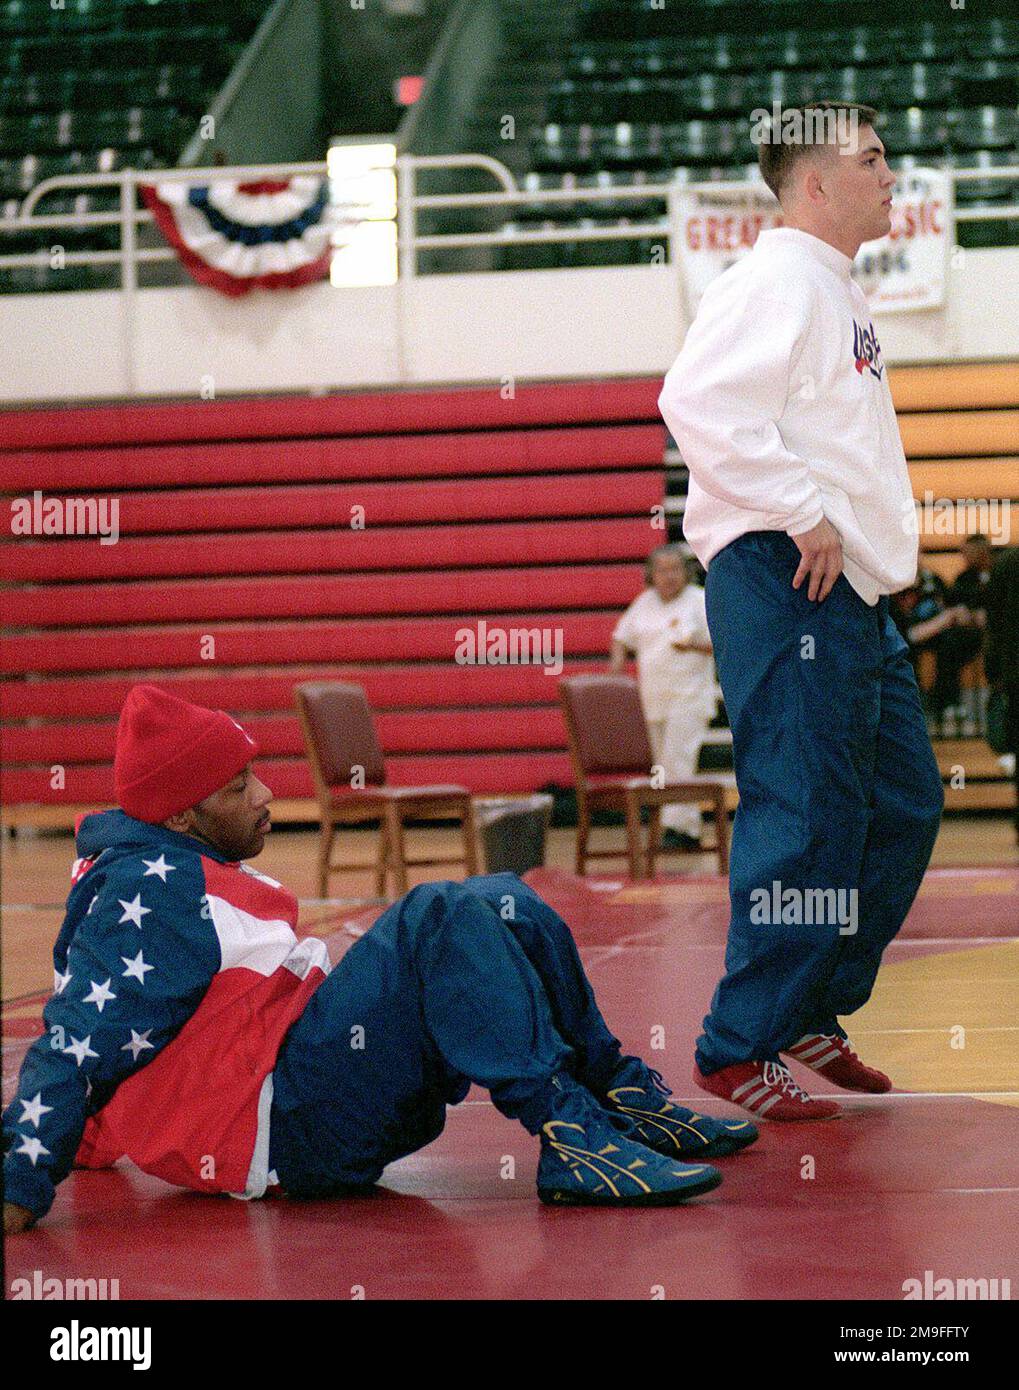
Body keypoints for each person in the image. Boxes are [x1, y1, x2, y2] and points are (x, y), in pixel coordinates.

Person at [3, 686, 758, 1234]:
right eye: (238, 787)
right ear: (180, 815)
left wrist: (97, 1140)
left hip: (308, 1090)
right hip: (290, 1129)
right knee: (441, 914)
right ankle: (566, 1138)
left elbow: (133, 1041)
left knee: (502, 898)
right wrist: (22, 1172)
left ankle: (613, 1096)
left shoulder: (170, 869)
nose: (267, 794)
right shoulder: (149, 892)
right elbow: (82, 1034)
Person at [658, 101, 944, 1121]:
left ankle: (809, 1001)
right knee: (802, 806)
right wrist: (798, 512)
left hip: (847, 588)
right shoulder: (774, 277)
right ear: (814, 183)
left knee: (902, 803)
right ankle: (736, 1042)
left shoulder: (837, 289)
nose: (889, 177)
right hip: (785, 575)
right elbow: (694, 399)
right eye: (869, 161)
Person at [609, 543, 716, 849]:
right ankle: (684, 827)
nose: (668, 576)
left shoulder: (699, 600)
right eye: (662, 570)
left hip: (689, 696)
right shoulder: (644, 603)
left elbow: (722, 643)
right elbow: (620, 638)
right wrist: (615, 670)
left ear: (686, 572)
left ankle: (679, 828)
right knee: (663, 764)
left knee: (678, 760)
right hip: (653, 698)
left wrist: (693, 647)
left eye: (675, 569)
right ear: (651, 575)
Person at [890, 563, 983, 735]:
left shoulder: (932, 580)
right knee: (904, 650)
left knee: (957, 641)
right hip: (905, 638)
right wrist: (940, 622)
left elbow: (952, 606)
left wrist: (960, 615)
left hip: (940, 637)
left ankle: (947, 703)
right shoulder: (890, 584)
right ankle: (932, 705)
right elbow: (908, 633)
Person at [985, 546, 1019, 842]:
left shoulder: (1006, 564)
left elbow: (993, 624)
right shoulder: (1007, 564)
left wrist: (994, 672)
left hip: (1013, 670)